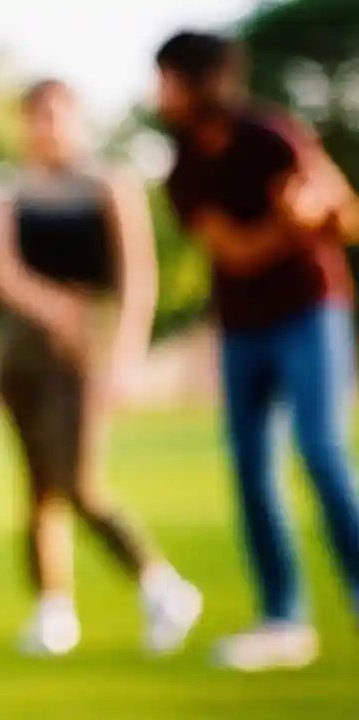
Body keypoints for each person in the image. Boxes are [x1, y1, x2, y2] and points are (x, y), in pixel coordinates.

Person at [156, 30, 359, 671]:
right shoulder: (185, 167)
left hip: (309, 310)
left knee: (321, 451)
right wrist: (287, 223)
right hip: (243, 325)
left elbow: (347, 215)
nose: (156, 94)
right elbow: (236, 252)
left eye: (165, 79)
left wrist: (316, 210)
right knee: (250, 467)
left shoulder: (275, 137)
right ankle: (283, 619)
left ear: (197, 83)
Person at [0, 80, 203, 658]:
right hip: (21, 350)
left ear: (76, 119)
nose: (46, 125)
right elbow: (0, 268)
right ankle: (53, 612)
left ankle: (163, 588)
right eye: (36, 115)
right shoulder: (11, 190)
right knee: (36, 488)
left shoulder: (108, 185)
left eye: (56, 114)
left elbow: (138, 273)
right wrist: (49, 305)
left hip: (85, 349)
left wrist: (127, 354)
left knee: (80, 483)